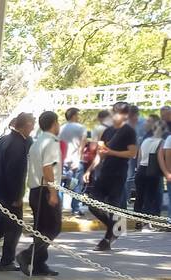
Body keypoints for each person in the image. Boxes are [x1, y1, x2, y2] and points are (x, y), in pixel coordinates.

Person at [86, 102, 138, 250]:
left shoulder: (129, 131)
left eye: (121, 113)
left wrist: (112, 153)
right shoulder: (107, 131)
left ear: (126, 115)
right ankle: (115, 227)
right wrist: (89, 169)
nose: (117, 115)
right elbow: (101, 153)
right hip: (105, 172)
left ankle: (107, 239)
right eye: (115, 112)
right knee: (93, 203)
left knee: (113, 206)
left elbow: (132, 153)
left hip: (119, 172)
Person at [0, 112, 33, 269]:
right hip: (9, 192)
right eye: (32, 123)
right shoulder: (18, 144)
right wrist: (17, 195)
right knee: (14, 227)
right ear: (26, 124)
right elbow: (14, 172)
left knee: (4, 223)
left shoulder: (4, 139)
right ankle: (6, 260)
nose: (33, 127)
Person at [21, 110, 61, 276]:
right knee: (53, 228)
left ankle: (39, 263)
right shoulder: (51, 142)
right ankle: (27, 255)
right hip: (45, 189)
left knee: (42, 229)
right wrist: (52, 192)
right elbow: (47, 168)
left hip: (36, 190)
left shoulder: (36, 142)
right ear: (54, 123)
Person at [134, 119, 165, 221]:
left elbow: (139, 157)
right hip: (152, 171)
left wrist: (138, 169)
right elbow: (160, 158)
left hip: (141, 169)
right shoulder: (162, 142)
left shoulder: (145, 140)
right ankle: (147, 222)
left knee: (139, 196)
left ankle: (137, 220)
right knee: (150, 197)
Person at [58, 107, 87, 215]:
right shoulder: (81, 128)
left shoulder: (61, 128)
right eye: (78, 115)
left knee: (60, 185)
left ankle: (58, 209)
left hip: (62, 160)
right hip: (75, 160)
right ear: (74, 115)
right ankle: (75, 208)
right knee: (77, 185)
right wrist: (78, 159)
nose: (79, 117)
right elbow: (82, 144)